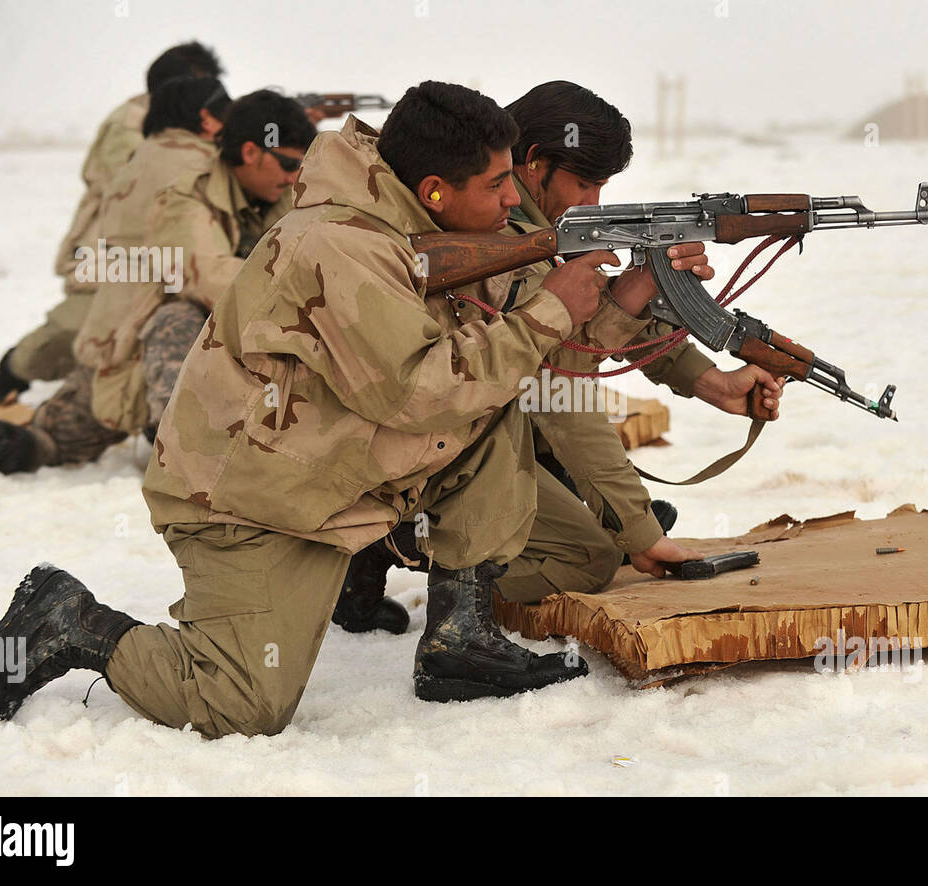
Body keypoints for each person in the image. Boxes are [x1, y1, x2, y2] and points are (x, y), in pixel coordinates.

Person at [0, 81, 667, 735]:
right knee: (243, 703)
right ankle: (71, 619)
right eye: (496, 184)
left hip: (327, 469)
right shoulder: (343, 246)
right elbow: (418, 391)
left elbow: (509, 359)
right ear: (434, 190)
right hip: (245, 503)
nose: (513, 197)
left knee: (496, 391)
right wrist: (548, 312)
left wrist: (626, 298)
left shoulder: (415, 223)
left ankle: (462, 640)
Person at [333, 81, 783, 633]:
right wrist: (637, 532)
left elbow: (582, 326)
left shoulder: (522, 222)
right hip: (414, 438)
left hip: (448, 422)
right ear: (533, 164)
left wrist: (704, 376)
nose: (593, 203)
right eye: (584, 184)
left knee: (595, 520)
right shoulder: (496, 235)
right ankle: (411, 544)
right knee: (587, 557)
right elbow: (558, 380)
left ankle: (500, 526)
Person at [0, 88, 313, 474]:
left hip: (191, 355)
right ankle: (183, 450)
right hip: (134, 356)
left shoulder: (276, 195)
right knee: (44, 443)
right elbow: (206, 275)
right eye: (288, 163)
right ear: (251, 152)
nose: (294, 176)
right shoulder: (186, 198)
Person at [0, 41, 224, 403]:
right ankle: (15, 369)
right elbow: (133, 179)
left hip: (150, 247)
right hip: (108, 247)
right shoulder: (131, 122)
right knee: (77, 329)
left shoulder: (189, 120)